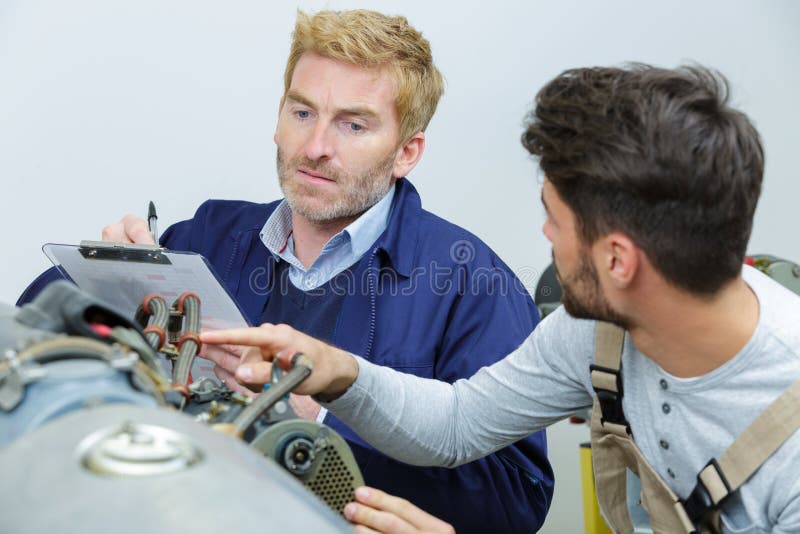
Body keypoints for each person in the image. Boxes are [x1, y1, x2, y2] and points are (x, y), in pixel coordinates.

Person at [200, 64, 800, 533]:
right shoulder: (598, 332)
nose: (545, 236)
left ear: (618, 261)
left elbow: (511, 491)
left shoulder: (789, 440)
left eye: (554, 219)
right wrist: (339, 373)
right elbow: (459, 423)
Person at [17, 9, 553, 533]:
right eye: (302, 113)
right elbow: (29, 337)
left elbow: (516, 500)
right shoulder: (205, 237)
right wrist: (106, 280)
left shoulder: (473, 286)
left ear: (406, 153)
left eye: (353, 124)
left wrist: (315, 419)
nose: (316, 148)